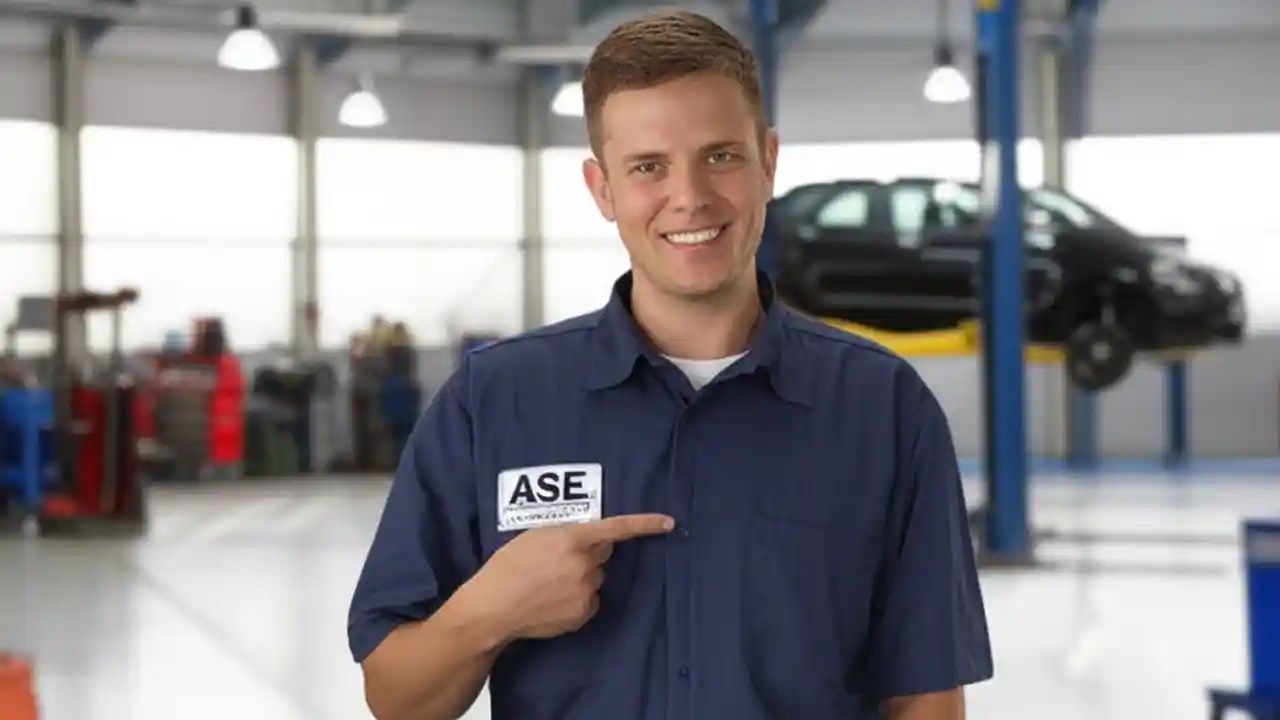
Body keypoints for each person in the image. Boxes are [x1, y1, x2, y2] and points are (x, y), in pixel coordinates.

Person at [348, 10, 993, 720]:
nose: (689, 196)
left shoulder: (881, 408)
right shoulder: (494, 401)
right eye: (648, 166)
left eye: (720, 156)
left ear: (768, 163)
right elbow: (396, 699)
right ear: (603, 190)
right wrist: (490, 611)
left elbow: (927, 697)